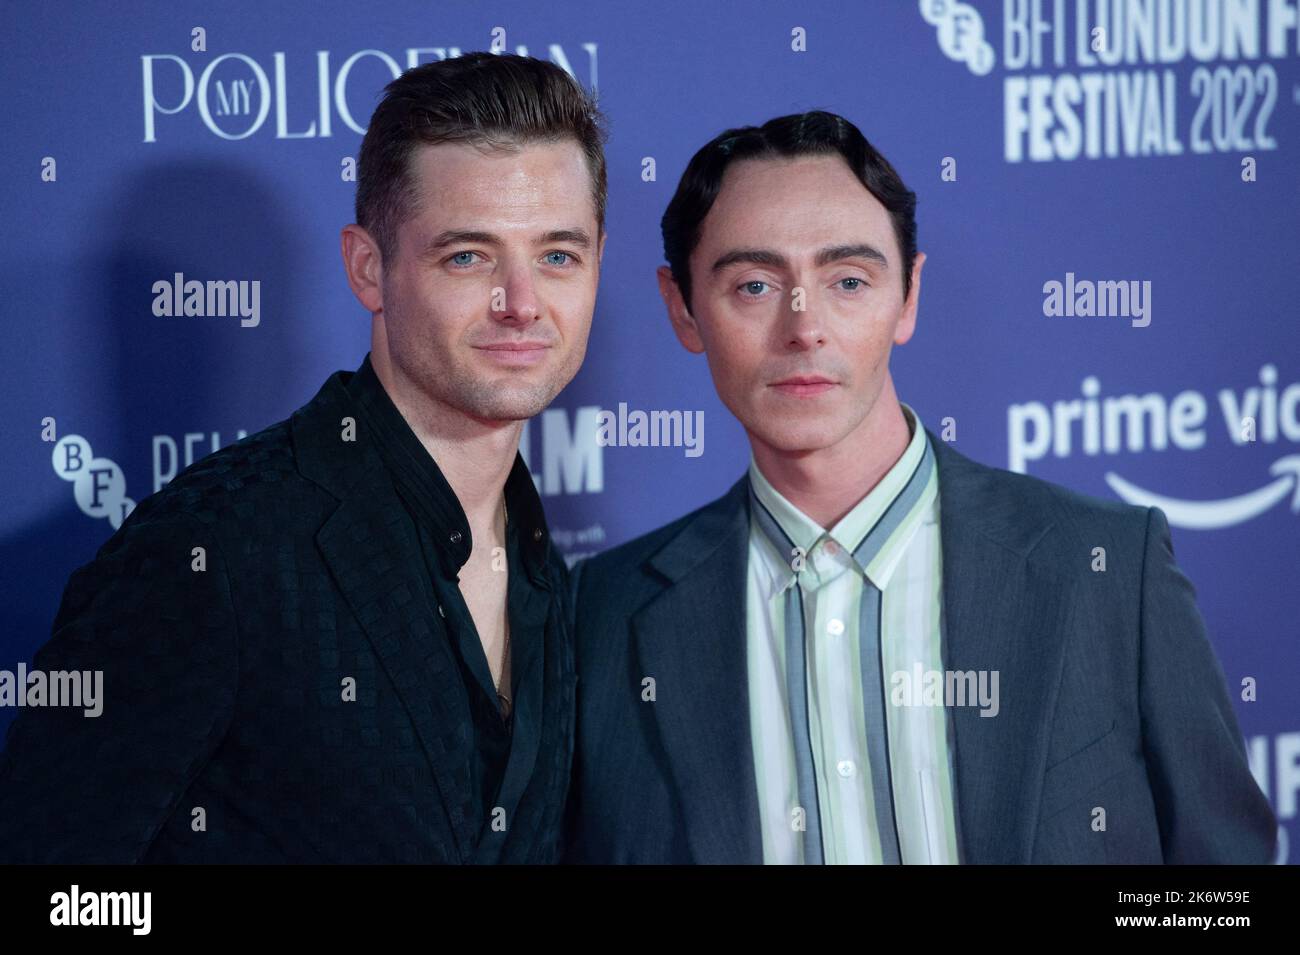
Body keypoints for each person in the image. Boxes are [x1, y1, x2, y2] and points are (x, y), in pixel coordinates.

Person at [563, 110, 1276, 864]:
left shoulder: (1104, 568)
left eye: (847, 280)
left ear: (908, 297)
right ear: (683, 308)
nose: (804, 327)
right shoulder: (602, 619)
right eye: (754, 284)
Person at [0, 52, 606, 864]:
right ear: (368, 268)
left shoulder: (555, 577)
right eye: (469, 256)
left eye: (557, 256)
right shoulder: (216, 548)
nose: (522, 302)